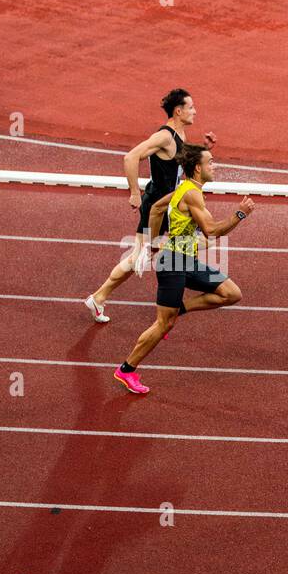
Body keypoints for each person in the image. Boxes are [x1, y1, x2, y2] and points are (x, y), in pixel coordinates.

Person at [112, 145, 249, 394]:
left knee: (231, 294)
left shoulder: (184, 189)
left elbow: (155, 208)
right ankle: (126, 369)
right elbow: (211, 230)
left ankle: (180, 310)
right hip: (173, 263)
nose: (214, 166)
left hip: (186, 261)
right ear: (198, 168)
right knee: (163, 325)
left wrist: (149, 242)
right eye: (211, 162)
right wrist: (240, 214)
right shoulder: (191, 194)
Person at [85, 88, 216, 323]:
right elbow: (130, 157)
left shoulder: (180, 136)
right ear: (178, 111)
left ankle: (100, 296)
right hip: (156, 206)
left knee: (147, 255)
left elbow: (181, 167)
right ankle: (99, 296)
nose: (195, 111)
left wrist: (205, 149)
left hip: (170, 206)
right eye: (191, 107)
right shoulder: (165, 136)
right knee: (140, 257)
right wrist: (134, 192)